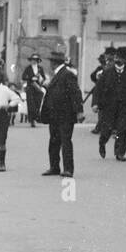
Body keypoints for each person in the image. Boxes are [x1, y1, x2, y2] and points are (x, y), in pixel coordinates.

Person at [38, 48, 82, 177]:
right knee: (54, 141)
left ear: (54, 63)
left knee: (65, 141)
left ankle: (68, 169)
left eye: (51, 62)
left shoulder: (67, 74)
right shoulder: (58, 74)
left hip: (65, 115)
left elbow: (75, 93)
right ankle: (54, 167)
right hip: (55, 115)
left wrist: (79, 111)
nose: (50, 64)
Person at [21, 53, 47, 127]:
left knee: (37, 103)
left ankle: (36, 118)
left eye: (35, 60)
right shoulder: (28, 68)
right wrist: (30, 78)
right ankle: (32, 120)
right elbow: (23, 77)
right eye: (33, 60)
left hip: (38, 87)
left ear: (38, 61)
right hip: (30, 87)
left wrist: (40, 79)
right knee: (31, 104)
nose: (34, 61)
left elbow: (44, 77)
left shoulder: (40, 68)